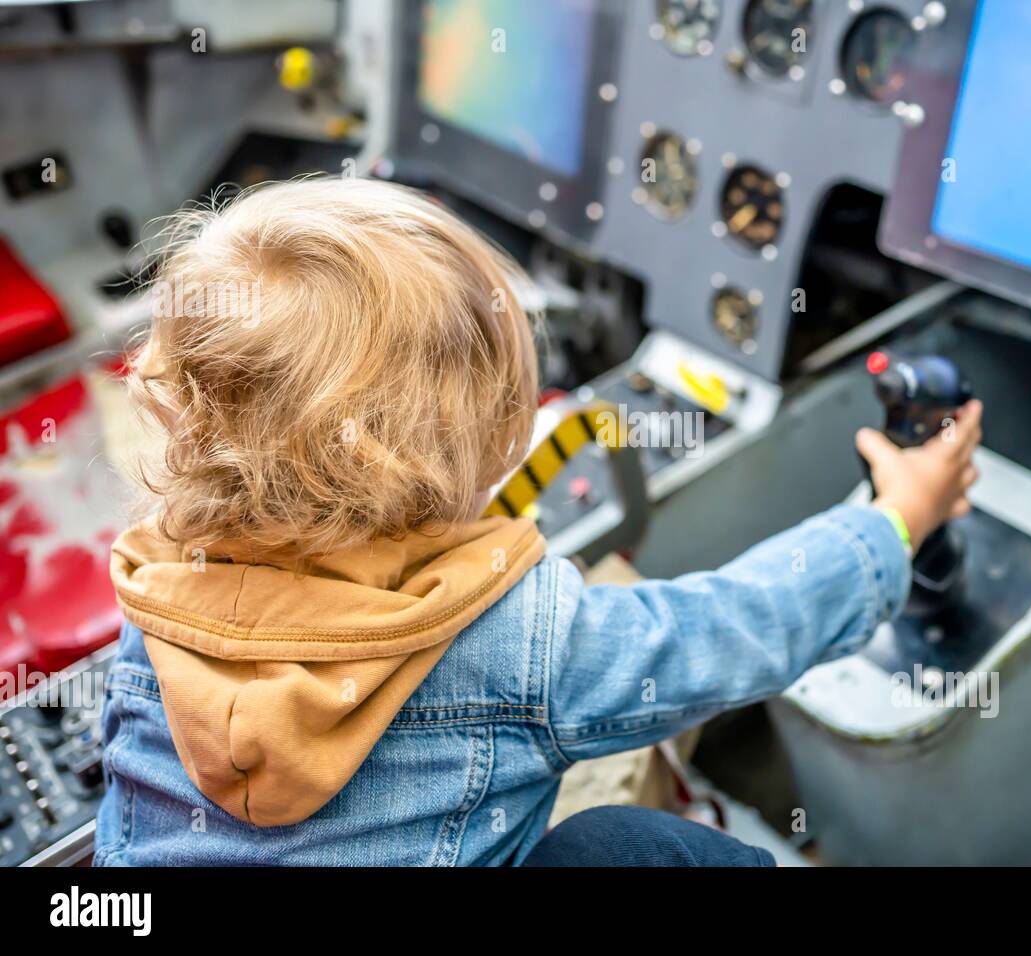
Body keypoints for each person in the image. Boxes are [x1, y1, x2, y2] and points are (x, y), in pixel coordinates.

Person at [95, 178, 981, 866]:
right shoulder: (527, 648)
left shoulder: (157, 593)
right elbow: (739, 627)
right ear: (492, 443)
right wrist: (897, 517)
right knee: (636, 850)